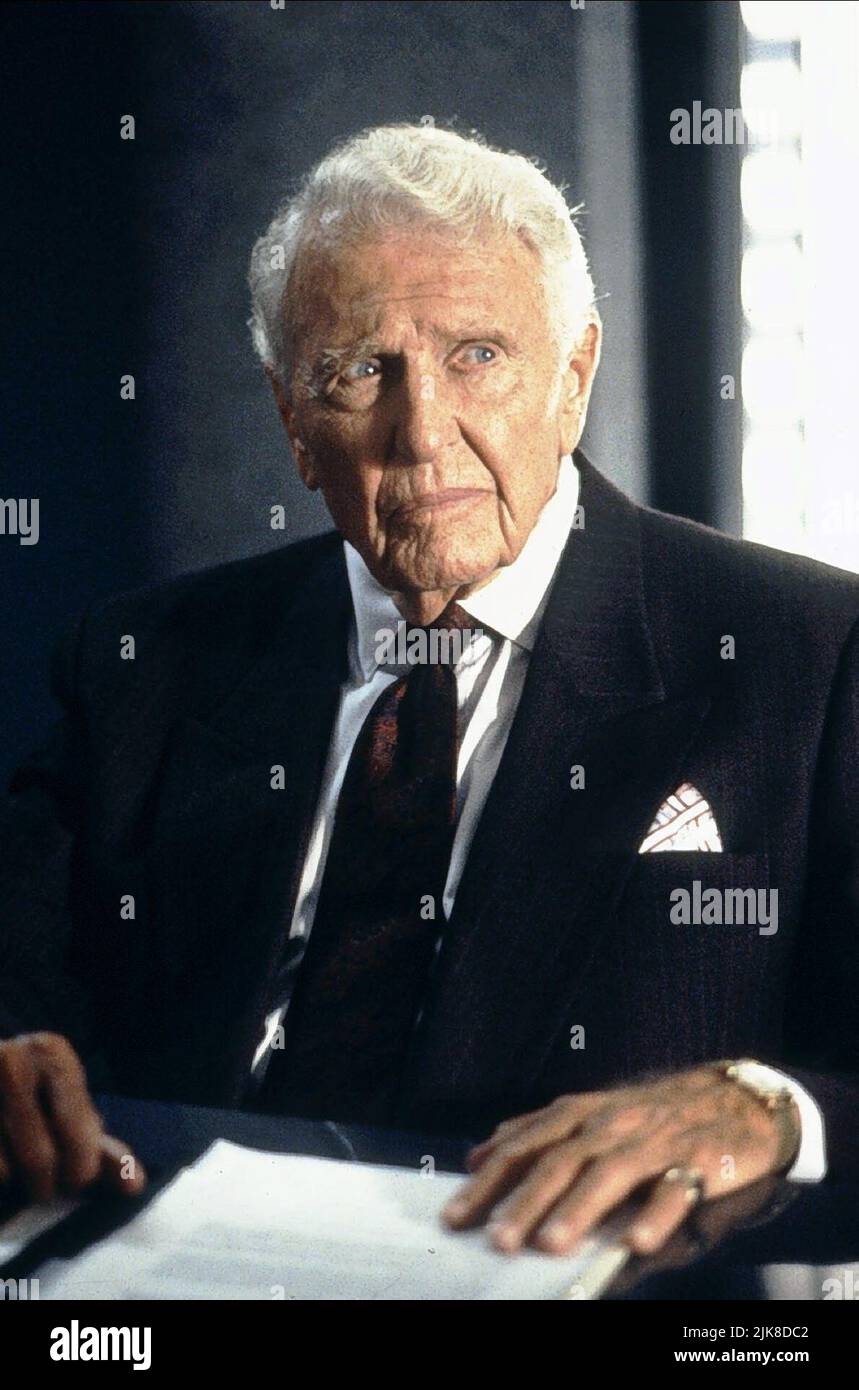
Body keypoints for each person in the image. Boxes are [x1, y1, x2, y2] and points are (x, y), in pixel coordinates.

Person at [2, 124, 858, 1260]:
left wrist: (772, 1113)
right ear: (292, 421)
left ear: (572, 378)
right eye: (360, 371)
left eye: (478, 356)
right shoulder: (143, 660)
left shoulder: (810, 653)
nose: (422, 434)